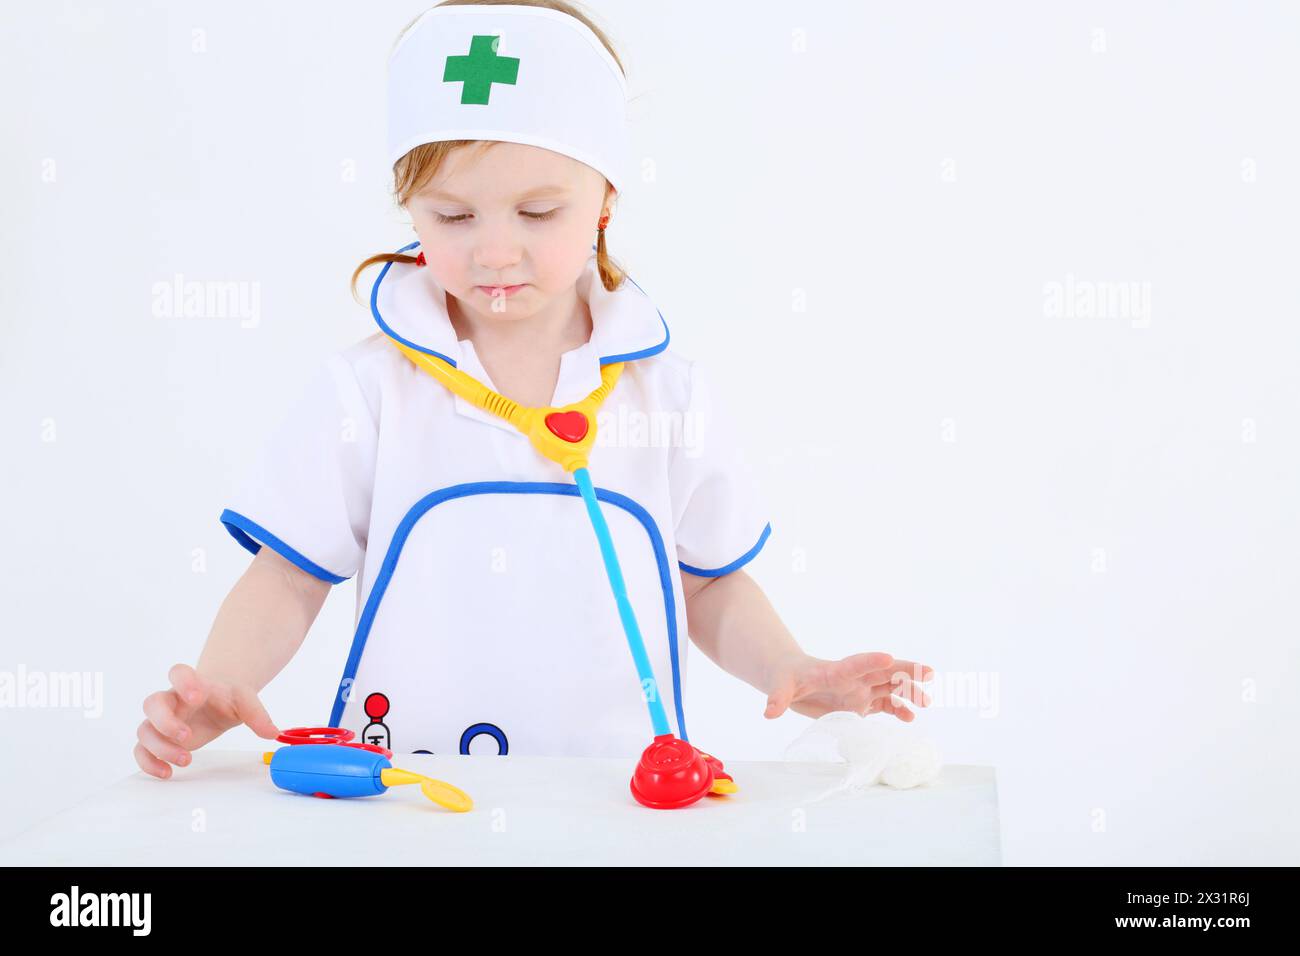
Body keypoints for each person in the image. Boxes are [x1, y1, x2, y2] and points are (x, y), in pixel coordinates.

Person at [135, 0, 932, 776]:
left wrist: (788, 666)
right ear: (408, 209)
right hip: (410, 797)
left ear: (605, 201)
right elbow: (287, 572)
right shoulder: (367, 388)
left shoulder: (669, 396)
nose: (495, 252)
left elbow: (712, 581)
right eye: (452, 217)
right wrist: (225, 677)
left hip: (619, 800)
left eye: (538, 211)